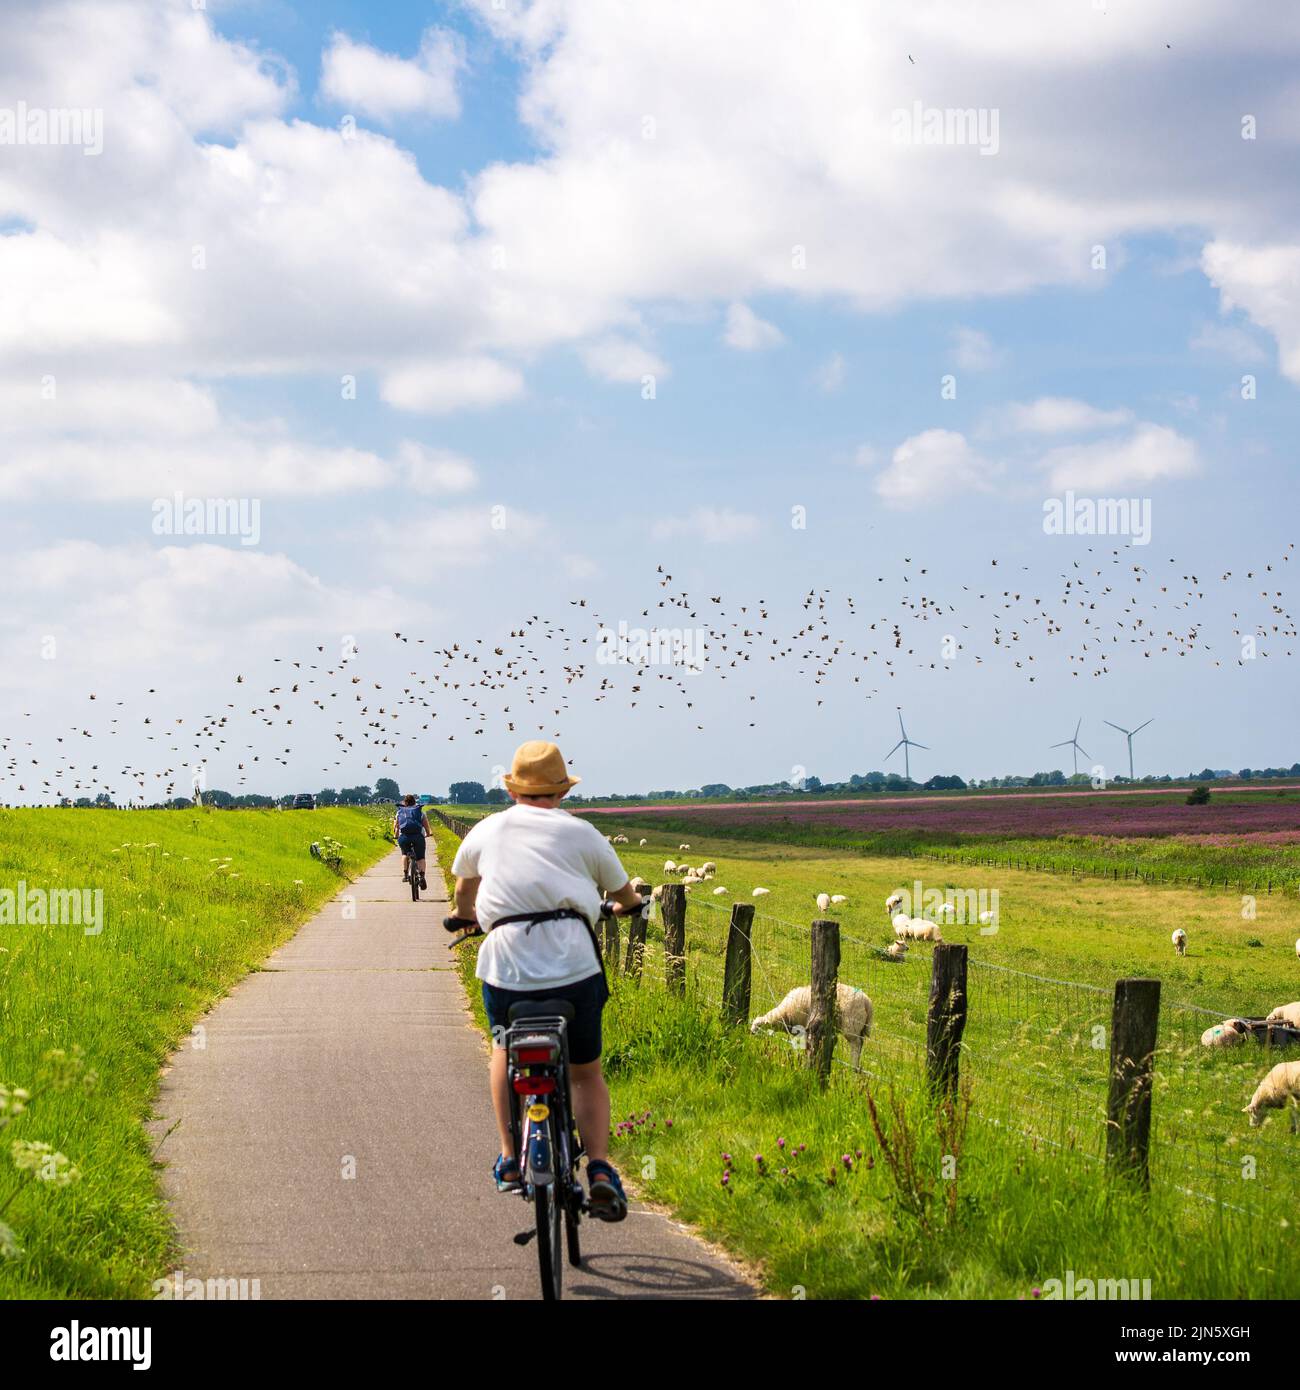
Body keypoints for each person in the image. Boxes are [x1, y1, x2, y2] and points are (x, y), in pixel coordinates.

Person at [449, 741, 641, 1220]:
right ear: (560, 790)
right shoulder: (583, 833)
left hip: (507, 967)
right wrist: (625, 906)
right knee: (585, 1071)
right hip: (574, 967)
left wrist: (465, 916)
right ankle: (598, 1169)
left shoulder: (486, 830)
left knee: (502, 1049)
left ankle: (510, 1158)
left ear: (513, 788)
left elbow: (463, 887)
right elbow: (623, 893)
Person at [393, 794, 432, 890]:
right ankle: (422, 876)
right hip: (418, 837)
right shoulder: (419, 812)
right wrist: (428, 834)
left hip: (404, 837)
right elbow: (426, 826)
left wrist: (396, 835)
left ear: (405, 803)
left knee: (404, 854)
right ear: (415, 802)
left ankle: (406, 874)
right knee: (420, 857)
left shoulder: (400, 812)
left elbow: (396, 827)